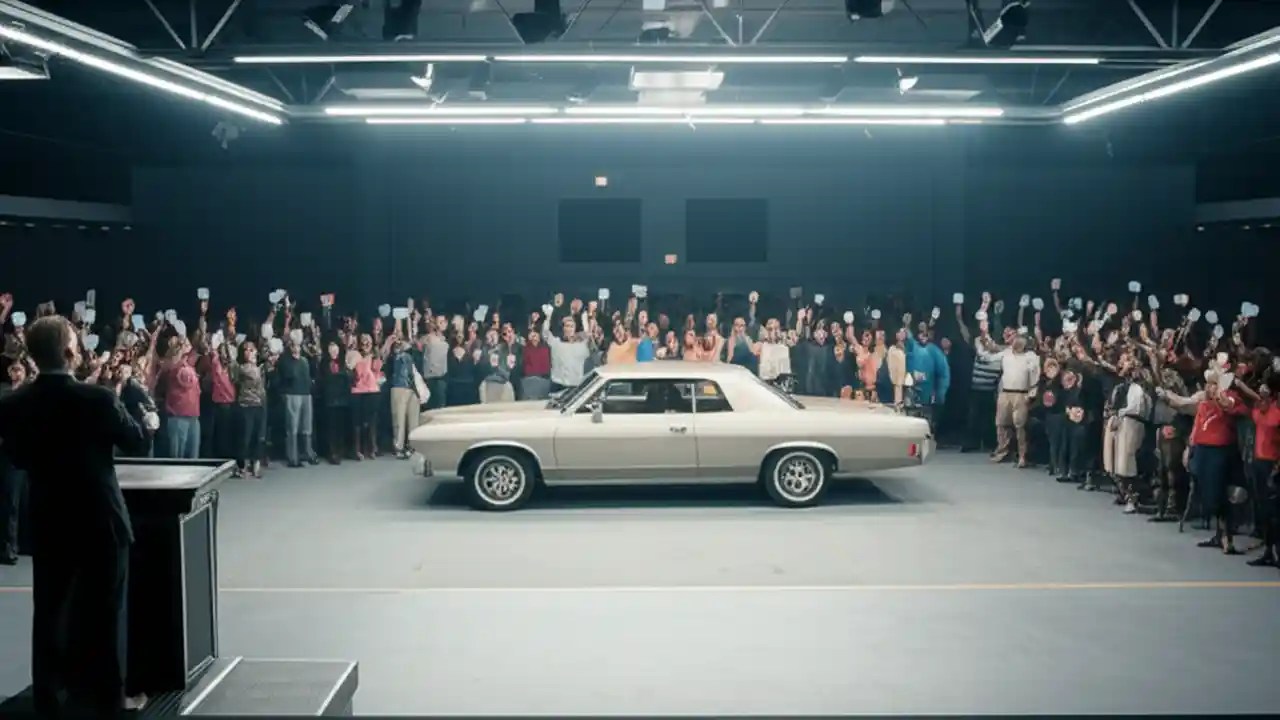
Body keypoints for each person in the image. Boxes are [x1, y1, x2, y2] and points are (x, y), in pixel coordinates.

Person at [0, 316, 157, 716]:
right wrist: (151, 422)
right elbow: (137, 443)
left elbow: (16, 457)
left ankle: (49, 699)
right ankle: (110, 698)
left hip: (50, 521)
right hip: (101, 520)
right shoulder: (98, 399)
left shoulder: (14, 404)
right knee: (107, 612)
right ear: (71, 352)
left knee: (49, 612)